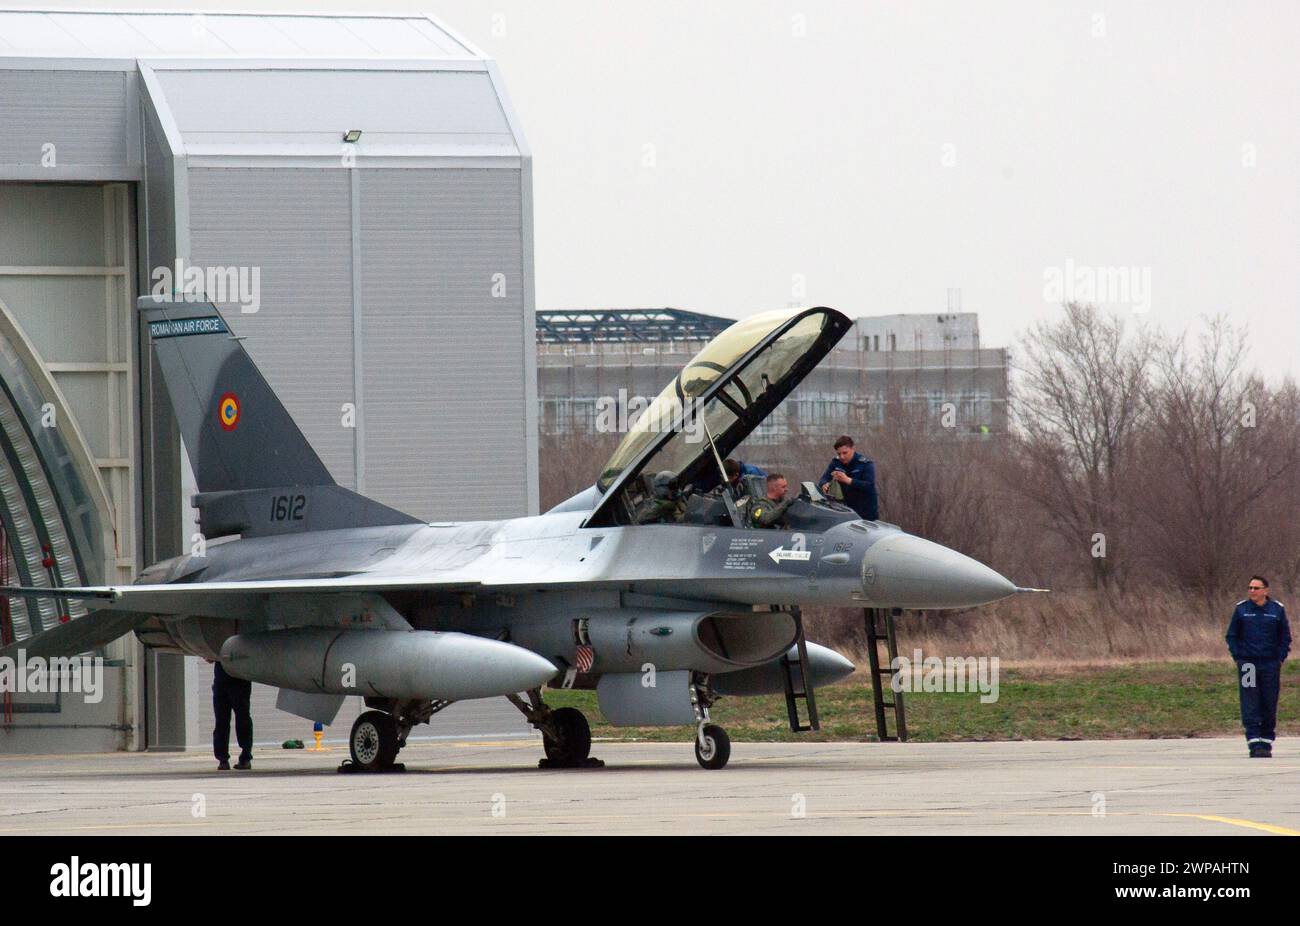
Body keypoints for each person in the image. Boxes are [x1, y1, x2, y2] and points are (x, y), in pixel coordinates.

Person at [1225, 575, 1290, 758]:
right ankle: (1254, 742)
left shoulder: (1277, 610)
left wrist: (1280, 658)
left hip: (1270, 664)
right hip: (1248, 664)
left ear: (1265, 590)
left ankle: (1266, 741)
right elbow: (1232, 636)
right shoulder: (1241, 609)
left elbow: (1285, 636)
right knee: (1250, 702)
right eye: (1250, 587)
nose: (1252, 591)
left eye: (1256, 588)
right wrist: (1239, 657)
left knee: (1269, 701)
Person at [818, 435, 879, 520]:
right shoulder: (836, 463)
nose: (842, 457)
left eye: (845, 453)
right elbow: (823, 479)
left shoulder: (865, 464)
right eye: (839, 454)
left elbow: (869, 486)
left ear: (853, 449)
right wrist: (824, 484)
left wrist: (847, 480)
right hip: (847, 511)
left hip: (866, 512)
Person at [211, 659, 254, 770]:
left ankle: (244, 756)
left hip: (239, 680)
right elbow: (209, 658)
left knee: (241, 719)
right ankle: (224, 759)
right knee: (222, 721)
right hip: (224, 680)